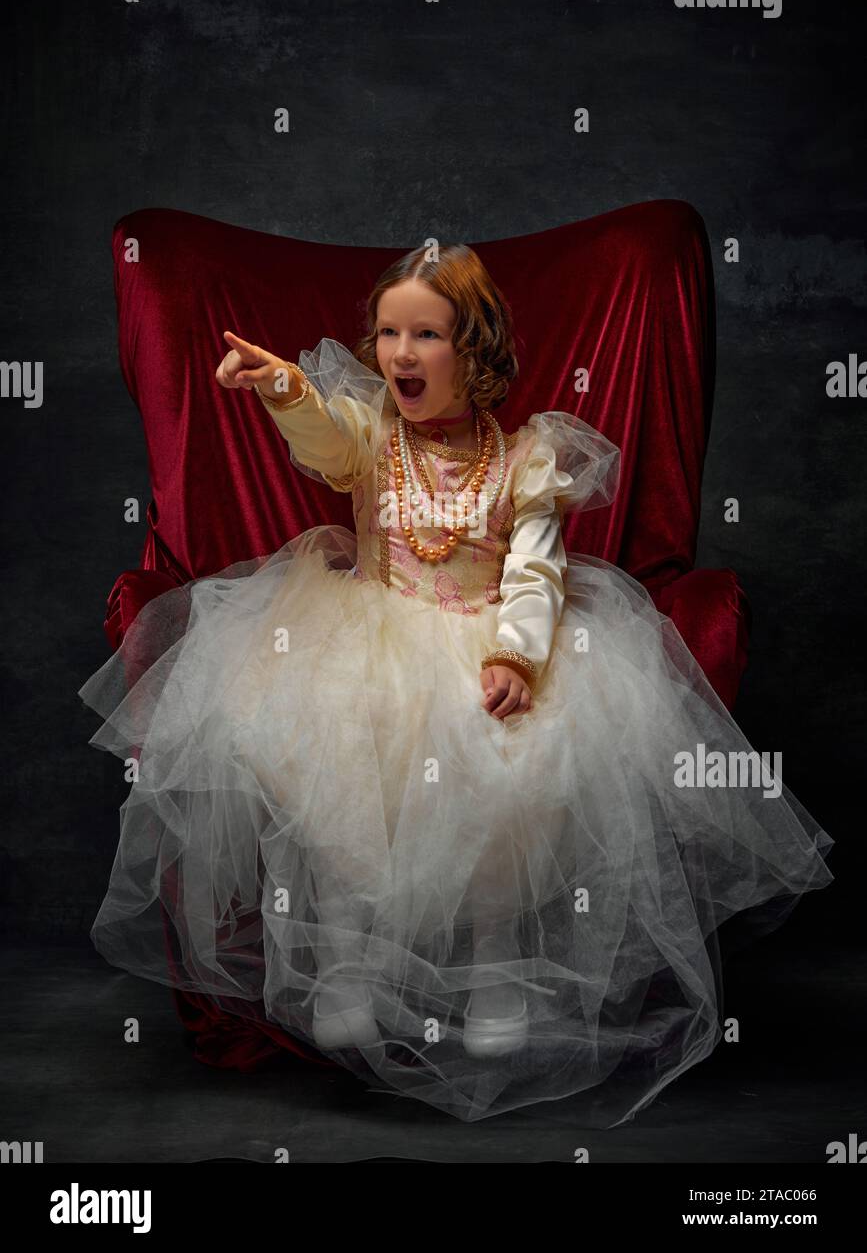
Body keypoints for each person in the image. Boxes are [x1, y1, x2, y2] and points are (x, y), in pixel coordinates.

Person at [79, 243, 834, 1126]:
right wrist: (288, 391)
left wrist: (514, 655)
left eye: (426, 335)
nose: (400, 353)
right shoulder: (371, 437)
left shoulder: (527, 459)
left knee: (505, 778)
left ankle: (492, 962)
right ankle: (351, 954)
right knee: (343, 779)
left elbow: (537, 572)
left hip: (482, 642)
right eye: (388, 333)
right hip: (365, 628)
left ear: (471, 353)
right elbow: (323, 441)